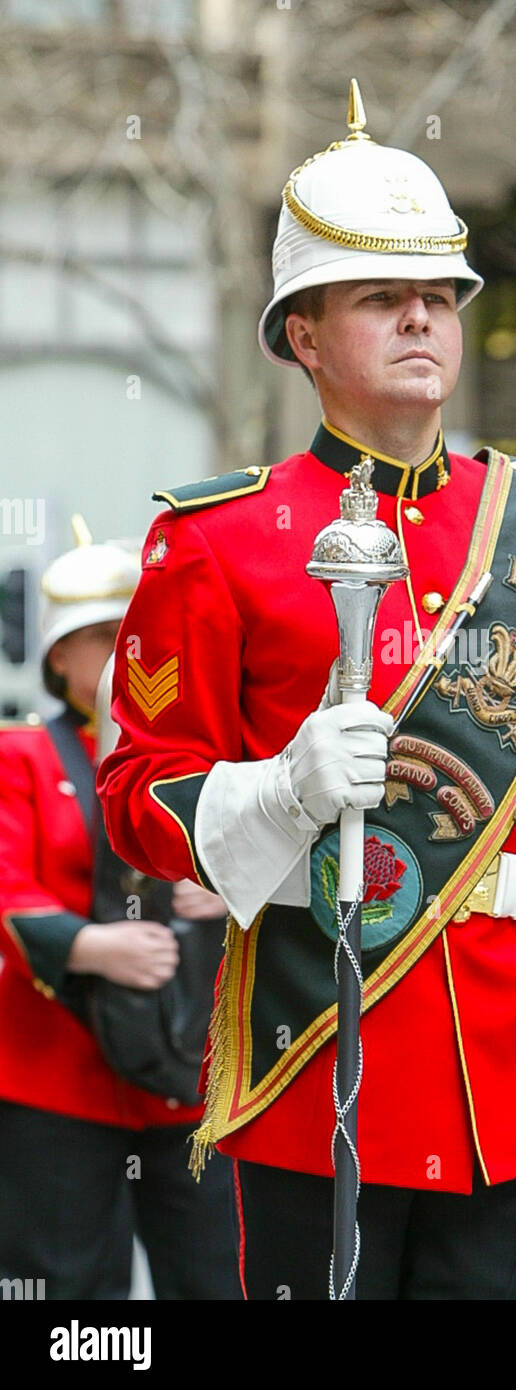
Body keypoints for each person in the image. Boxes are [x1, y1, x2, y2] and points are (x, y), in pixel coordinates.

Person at [97, 81, 516, 1301]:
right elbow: (136, 797)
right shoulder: (216, 538)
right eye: (381, 299)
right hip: (318, 1067)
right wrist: (275, 794)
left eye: (440, 298)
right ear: (304, 336)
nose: (422, 320)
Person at [0, 522, 241, 1299]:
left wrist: (233, 884)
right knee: (66, 1289)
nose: (121, 653)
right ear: (58, 658)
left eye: (134, 635)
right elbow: (7, 891)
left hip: (193, 1071)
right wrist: (91, 948)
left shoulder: (213, 761)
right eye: (101, 637)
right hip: (59, 1073)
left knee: (215, 1279)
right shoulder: (21, 754)